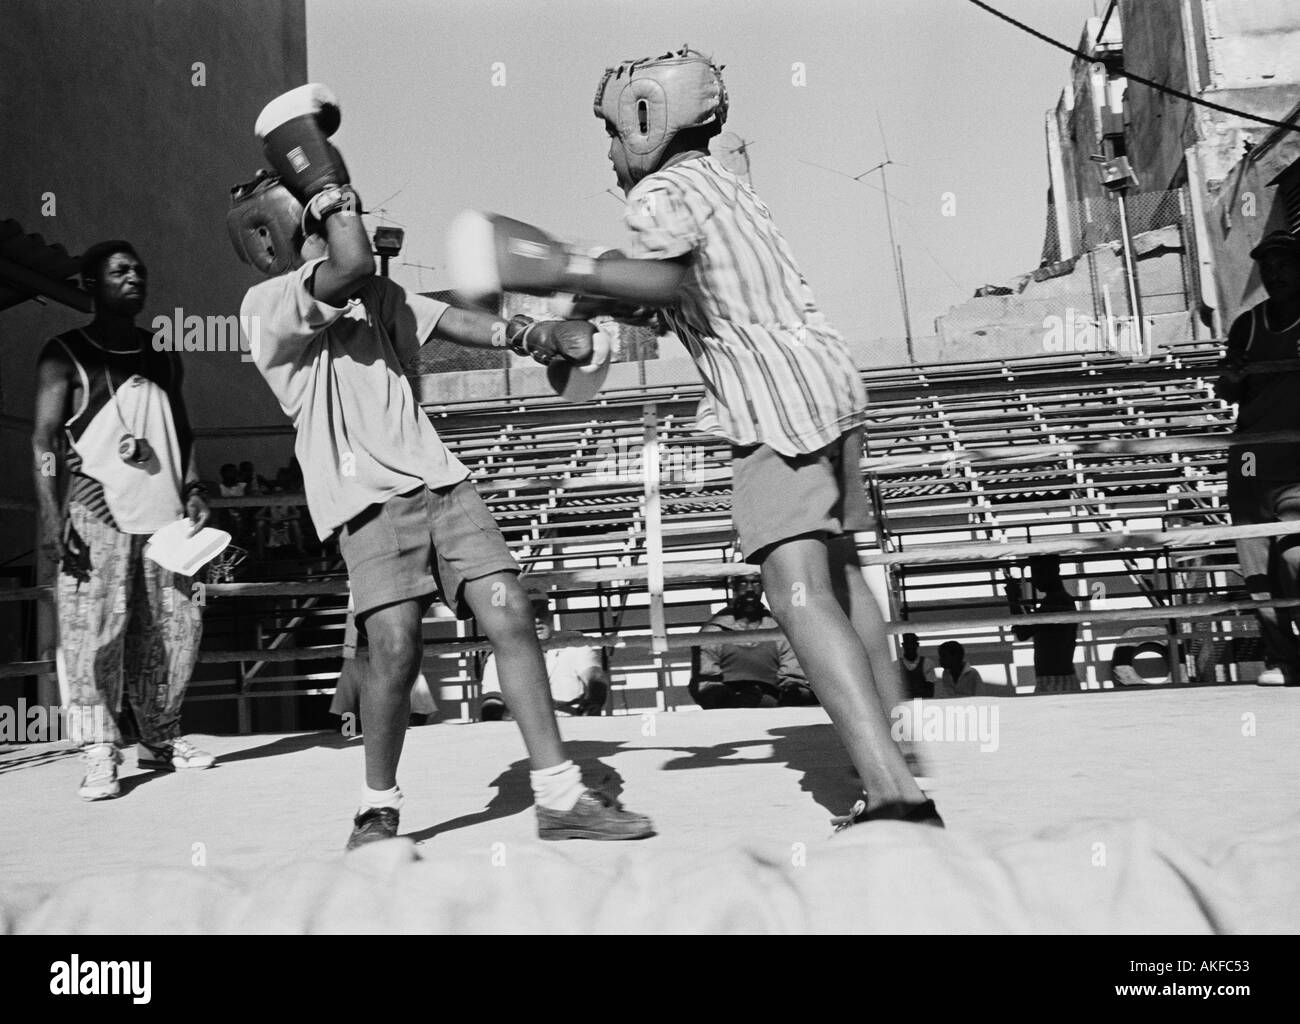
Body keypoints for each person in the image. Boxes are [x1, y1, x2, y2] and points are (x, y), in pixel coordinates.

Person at [447, 48, 940, 828]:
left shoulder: (661, 195)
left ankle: (893, 791)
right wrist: (570, 323)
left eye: (613, 135)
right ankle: (896, 753)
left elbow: (664, 281)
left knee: (794, 588)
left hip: (774, 404)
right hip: (831, 384)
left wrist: (547, 263)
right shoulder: (726, 188)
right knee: (843, 581)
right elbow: (666, 295)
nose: (610, 154)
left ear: (647, 119)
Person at [231, 84, 650, 849]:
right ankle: (375, 806)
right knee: (393, 650)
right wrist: (326, 181)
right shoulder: (265, 307)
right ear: (288, 223)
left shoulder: (374, 292)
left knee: (509, 610)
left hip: (442, 482)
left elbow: (448, 317)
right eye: (322, 198)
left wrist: (531, 336)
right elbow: (351, 260)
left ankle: (560, 795)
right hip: (367, 502)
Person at [31, 240, 215, 800]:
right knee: (95, 635)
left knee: (173, 630)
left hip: (163, 518)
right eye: (119, 271)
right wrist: (49, 510)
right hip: (94, 513)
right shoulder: (63, 353)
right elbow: (42, 439)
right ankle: (98, 750)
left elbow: (180, 429)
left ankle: (160, 737)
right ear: (90, 284)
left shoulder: (162, 351)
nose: (133, 277)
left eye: (139, 269)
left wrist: (194, 484)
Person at [1215, 229, 1300, 687]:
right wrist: (1229, 379)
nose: (1274, 274)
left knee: (1295, 560)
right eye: (1267, 267)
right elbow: (1230, 388)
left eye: (1284, 263)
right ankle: (1283, 660)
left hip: (1297, 462)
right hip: (1250, 457)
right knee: (1256, 569)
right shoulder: (1247, 325)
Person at [688, 577, 815, 708]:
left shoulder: (779, 631)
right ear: (733, 586)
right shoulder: (713, 631)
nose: (749, 589)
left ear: (764, 586)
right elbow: (705, 682)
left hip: (774, 709)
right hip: (727, 712)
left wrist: (788, 698)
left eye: (756, 582)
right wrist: (729, 700)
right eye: (743, 582)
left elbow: (793, 678)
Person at [479, 594, 610, 719]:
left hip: (574, 724)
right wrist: (508, 718)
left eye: (541, 612)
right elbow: (492, 701)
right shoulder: (501, 655)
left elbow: (595, 676)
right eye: (527, 614)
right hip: (525, 732)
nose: (537, 619)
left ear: (551, 614)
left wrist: (594, 700)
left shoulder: (574, 642)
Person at [1005, 555, 1080, 692]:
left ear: (1052, 572)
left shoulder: (1056, 601)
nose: (1034, 580)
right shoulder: (1059, 600)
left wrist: (1013, 598)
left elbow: (1022, 633)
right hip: (1057, 678)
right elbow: (1029, 626)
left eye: (1038, 573)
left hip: (1055, 680)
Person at [899, 633, 936, 699]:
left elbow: (930, 692)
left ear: (917, 645)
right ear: (903, 645)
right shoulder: (895, 666)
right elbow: (895, 693)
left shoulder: (928, 663)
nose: (910, 646)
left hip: (925, 705)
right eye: (908, 643)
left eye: (912, 644)